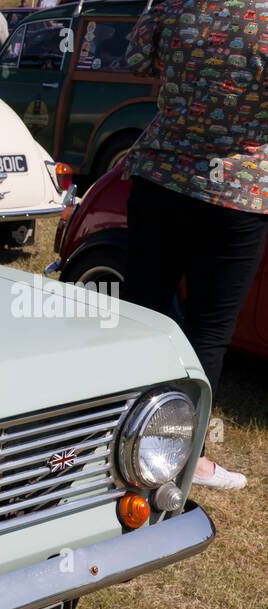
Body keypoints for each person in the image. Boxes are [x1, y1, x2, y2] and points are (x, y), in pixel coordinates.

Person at [120, 0, 266, 490]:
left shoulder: (174, 5)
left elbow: (136, 61)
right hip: (238, 191)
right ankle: (183, 456)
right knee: (208, 330)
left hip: (161, 175)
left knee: (141, 312)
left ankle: (113, 431)